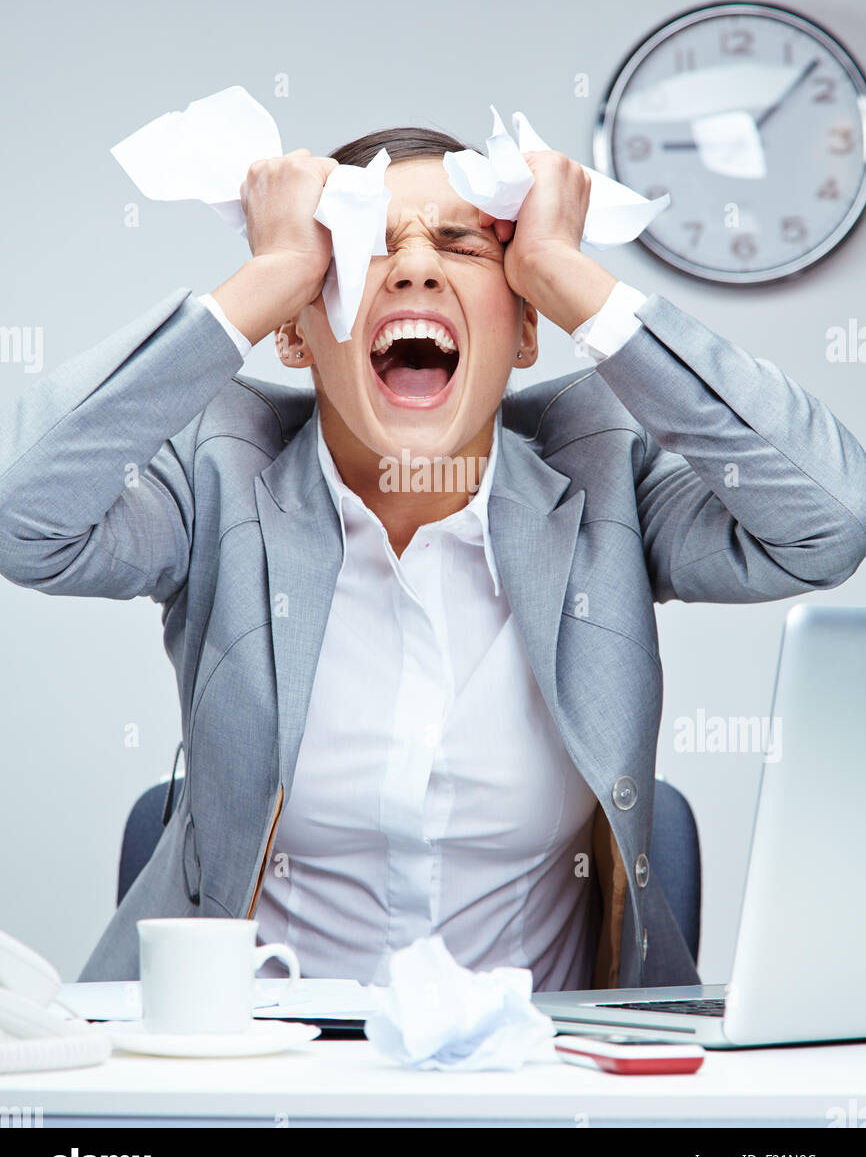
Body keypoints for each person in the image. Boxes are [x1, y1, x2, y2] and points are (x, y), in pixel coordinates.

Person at [2, 126, 865, 991]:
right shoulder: (218, 473)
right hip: (257, 1070)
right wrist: (259, 284)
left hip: (541, 1086)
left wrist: (579, 284)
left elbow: (830, 520)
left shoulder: (605, 477)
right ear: (297, 335)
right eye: (364, 243)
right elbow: (19, 511)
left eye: (461, 242)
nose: (415, 269)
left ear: (527, 330)